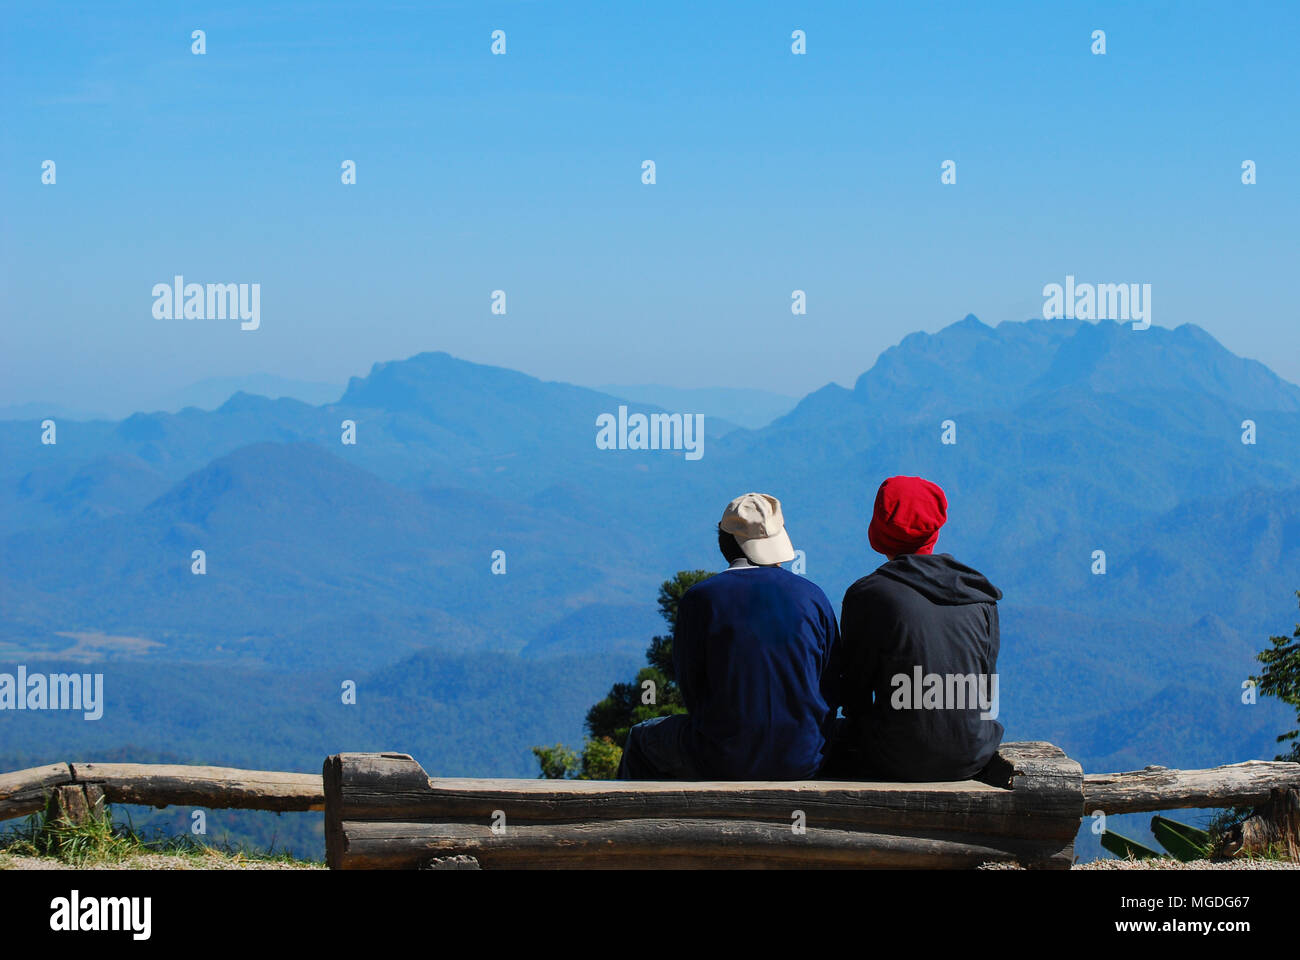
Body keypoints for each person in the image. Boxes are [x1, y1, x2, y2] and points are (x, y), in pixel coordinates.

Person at [617, 492, 842, 780]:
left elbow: (692, 690)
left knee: (640, 737)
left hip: (721, 758)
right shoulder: (812, 596)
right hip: (805, 757)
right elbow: (832, 683)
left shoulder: (700, 598)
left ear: (724, 543)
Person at [830, 476, 1003, 782]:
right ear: (936, 528)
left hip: (893, 758)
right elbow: (985, 690)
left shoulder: (868, 595)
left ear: (880, 529)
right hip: (972, 753)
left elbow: (854, 694)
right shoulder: (980, 595)